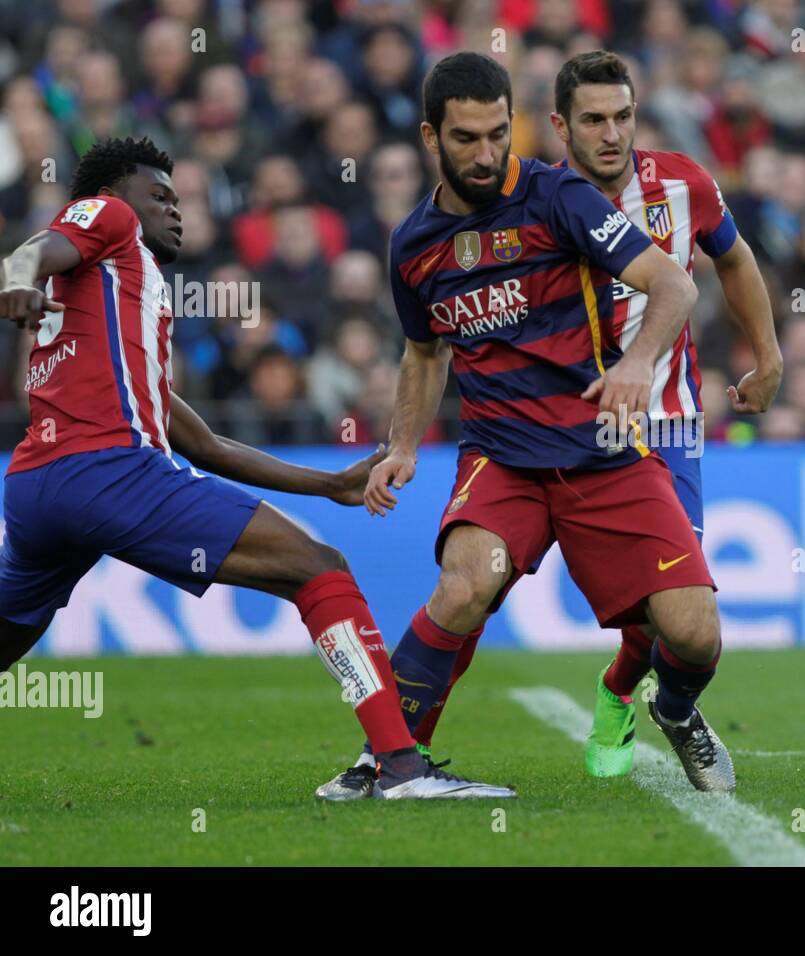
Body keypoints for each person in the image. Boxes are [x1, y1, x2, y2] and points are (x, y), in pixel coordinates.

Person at [0, 137, 510, 800]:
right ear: (118, 196)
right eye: (160, 196)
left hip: (36, 486)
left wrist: (328, 485)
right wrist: (16, 278)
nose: (175, 210)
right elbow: (28, 251)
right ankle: (398, 766)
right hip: (108, 471)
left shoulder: (110, 312)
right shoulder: (108, 218)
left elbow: (207, 444)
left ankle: (392, 764)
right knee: (319, 570)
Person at [316, 53, 736, 800]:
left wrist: (638, 364)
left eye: (496, 135)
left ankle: (671, 708)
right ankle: (389, 759)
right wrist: (404, 443)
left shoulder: (559, 196)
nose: (485, 154)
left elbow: (672, 284)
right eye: (466, 138)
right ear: (429, 136)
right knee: (462, 588)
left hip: (603, 451)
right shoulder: (413, 246)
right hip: (502, 457)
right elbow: (423, 351)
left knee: (695, 632)